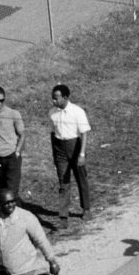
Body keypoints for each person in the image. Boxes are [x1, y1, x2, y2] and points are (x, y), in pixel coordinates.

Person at [49, 83, 91, 218]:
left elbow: (84, 134)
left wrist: (82, 154)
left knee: (81, 178)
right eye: (53, 98)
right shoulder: (52, 113)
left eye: (56, 98)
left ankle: (86, 209)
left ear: (65, 97)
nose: (53, 101)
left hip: (75, 147)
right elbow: (53, 134)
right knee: (63, 182)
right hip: (59, 148)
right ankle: (63, 215)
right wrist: (55, 155)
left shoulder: (77, 112)